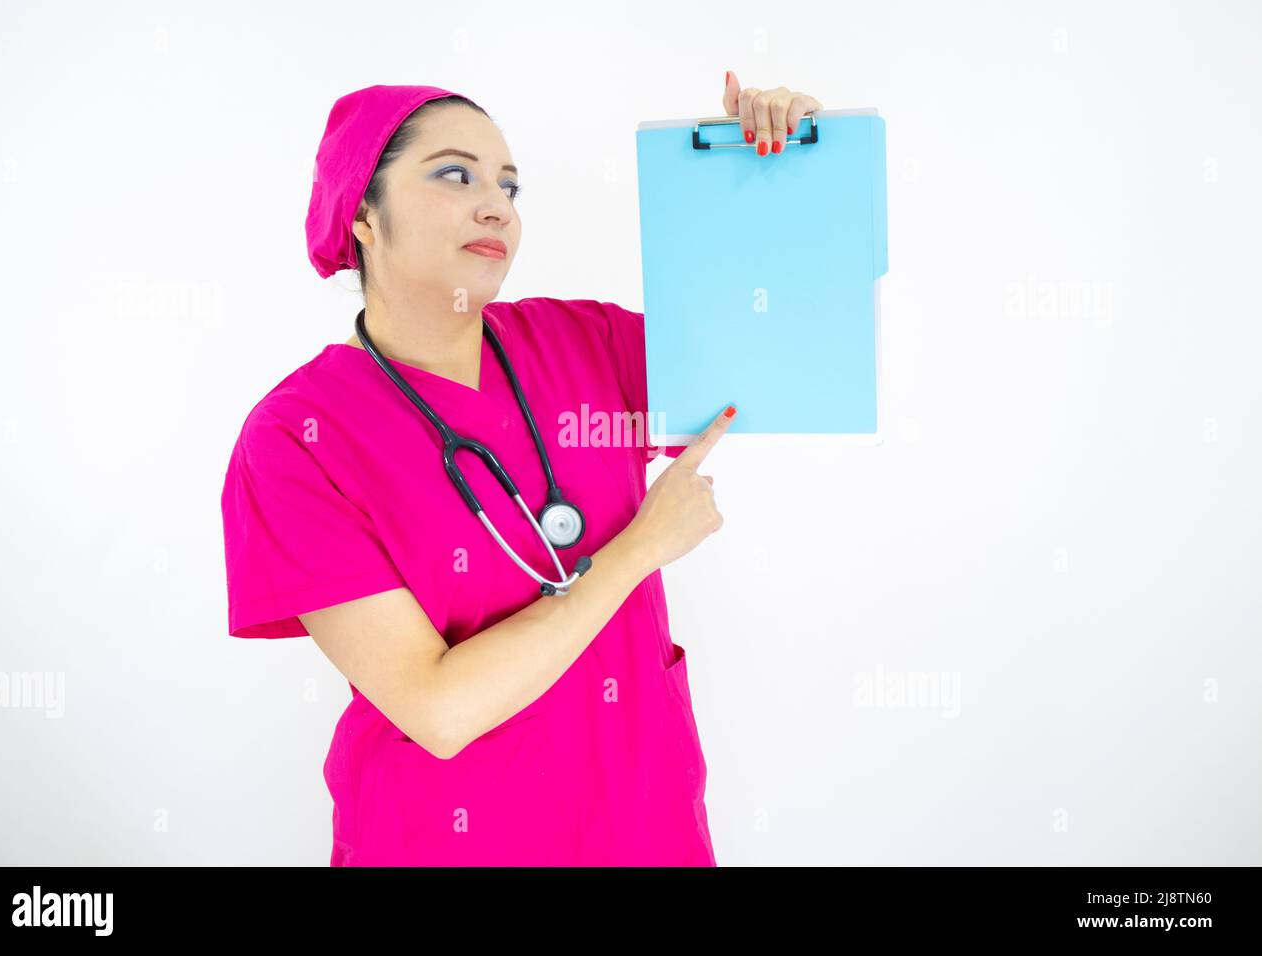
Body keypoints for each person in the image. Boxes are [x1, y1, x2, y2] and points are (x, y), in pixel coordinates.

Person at [220, 76, 822, 866]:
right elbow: (436, 707)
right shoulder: (297, 439)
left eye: (509, 185)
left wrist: (771, 178)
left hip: (646, 830)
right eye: (454, 174)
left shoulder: (583, 345)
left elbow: (801, 357)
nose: (498, 205)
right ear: (363, 214)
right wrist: (639, 547)